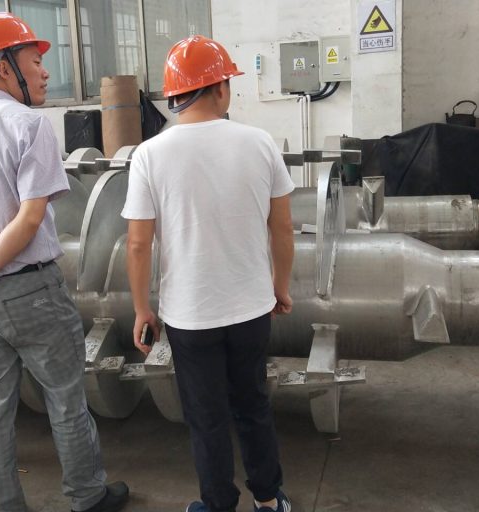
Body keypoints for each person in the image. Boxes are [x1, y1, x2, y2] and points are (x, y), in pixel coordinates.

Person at [0, 12, 129, 512]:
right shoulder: (28, 125)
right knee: (66, 398)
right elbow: (31, 216)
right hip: (30, 292)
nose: (44, 72)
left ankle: (6, 504)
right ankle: (88, 496)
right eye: (35, 61)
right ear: (3, 66)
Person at [122, 35, 298, 512]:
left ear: (176, 95)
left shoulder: (149, 155)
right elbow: (282, 228)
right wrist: (279, 287)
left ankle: (219, 504)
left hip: (190, 315)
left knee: (207, 417)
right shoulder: (259, 143)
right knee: (253, 405)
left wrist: (142, 308)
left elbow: (138, 243)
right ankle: (269, 500)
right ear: (220, 88)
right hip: (250, 307)